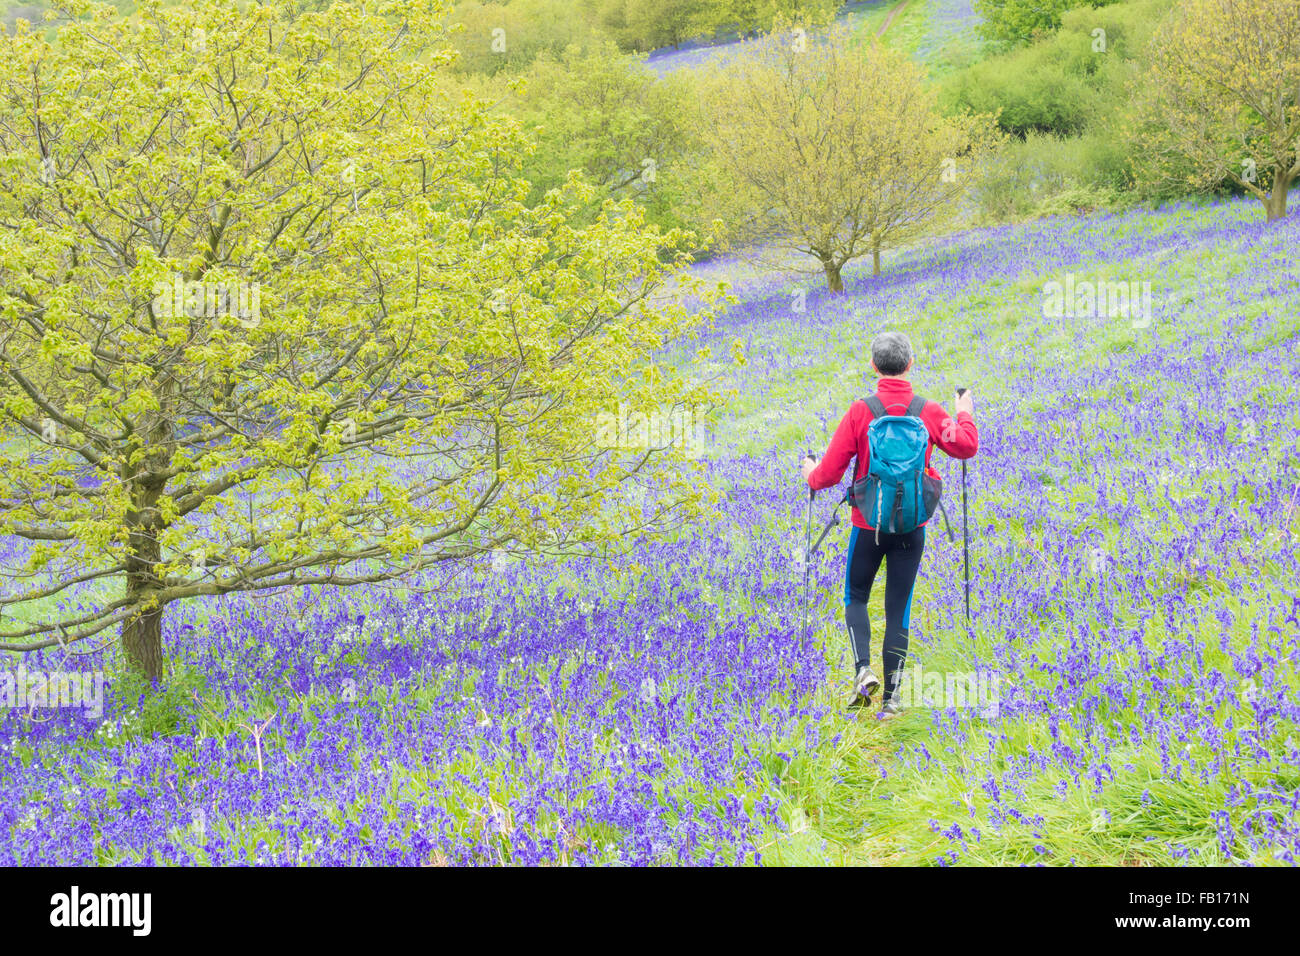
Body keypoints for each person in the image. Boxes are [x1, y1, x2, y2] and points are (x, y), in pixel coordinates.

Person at [800, 331, 978, 719]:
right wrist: (963, 409)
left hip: (868, 525)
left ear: (874, 366)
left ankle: (863, 670)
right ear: (910, 364)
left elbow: (829, 474)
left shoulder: (861, 412)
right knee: (898, 608)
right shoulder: (928, 411)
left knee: (857, 597)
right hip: (912, 526)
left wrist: (810, 474)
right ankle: (893, 700)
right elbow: (966, 446)